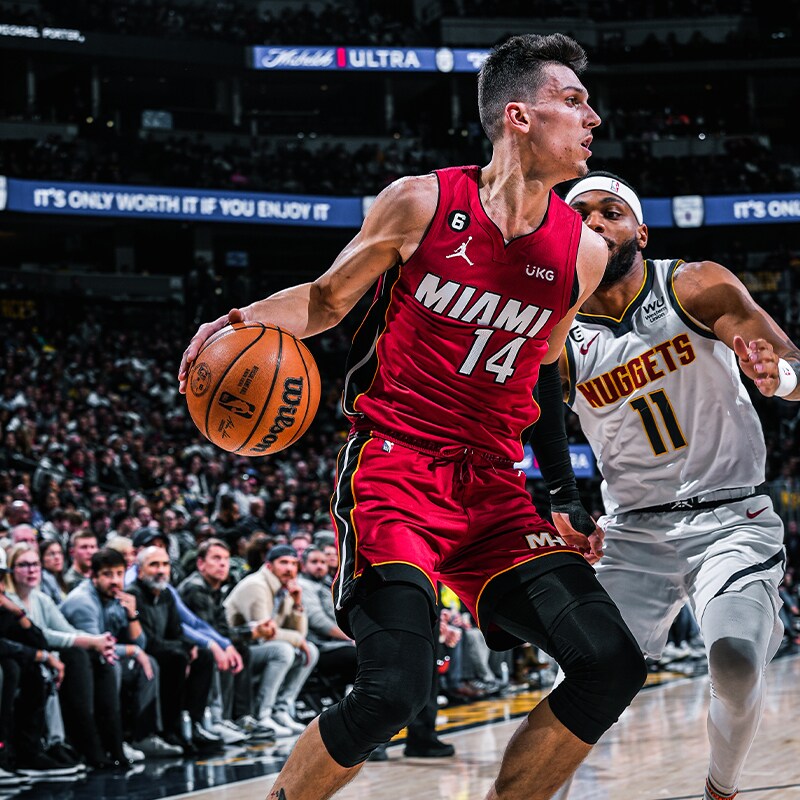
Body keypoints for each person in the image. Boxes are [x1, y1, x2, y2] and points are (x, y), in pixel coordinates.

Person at [179, 34, 647, 800]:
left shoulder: (583, 254)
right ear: (518, 116)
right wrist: (233, 322)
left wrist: (561, 495)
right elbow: (327, 302)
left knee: (611, 662)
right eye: (574, 100)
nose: (593, 116)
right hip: (396, 469)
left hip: (494, 489)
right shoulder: (423, 202)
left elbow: (548, 377)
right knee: (391, 690)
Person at [553, 170, 800, 800]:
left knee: (737, 664)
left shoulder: (693, 283)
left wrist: (782, 379)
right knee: (584, 683)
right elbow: (528, 429)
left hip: (729, 519)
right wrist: (562, 503)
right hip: (631, 535)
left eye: (610, 211)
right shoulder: (555, 334)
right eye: (580, 215)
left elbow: (790, 364)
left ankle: (721, 786)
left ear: (640, 227)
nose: (596, 223)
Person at [59, 548, 183, 759]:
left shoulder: (119, 598)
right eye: (108, 575)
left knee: (149, 664)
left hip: (104, 657)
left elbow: (140, 643)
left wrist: (132, 615)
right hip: (79, 663)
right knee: (113, 665)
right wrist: (133, 651)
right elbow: (96, 645)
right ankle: (111, 740)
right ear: (93, 576)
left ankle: (142, 736)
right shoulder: (83, 602)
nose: (115, 581)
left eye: (119, 574)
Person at [223, 544, 319, 738]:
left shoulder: (285, 588)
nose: (290, 569)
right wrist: (296, 639)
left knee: (310, 650)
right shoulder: (256, 585)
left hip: (257, 647)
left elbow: (300, 633)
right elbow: (266, 633)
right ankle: (262, 714)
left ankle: (281, 710)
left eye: (293, 563)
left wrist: (298, 604)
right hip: (237, 646)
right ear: (269, 566)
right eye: (283, 563)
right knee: (284, 651)